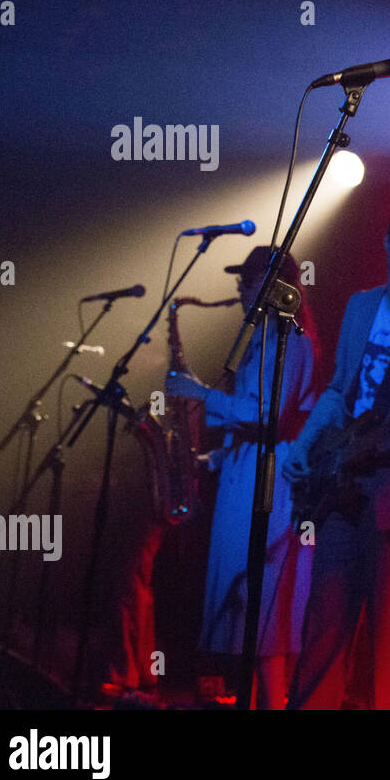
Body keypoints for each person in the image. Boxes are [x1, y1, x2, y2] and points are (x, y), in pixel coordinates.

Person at [282, 202, 390, 709]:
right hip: (342, 487)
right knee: (323, 626)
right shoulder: (360, 306)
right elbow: (338, 388)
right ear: (386, 240)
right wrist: (305, 445)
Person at [165, 246, 318, 709]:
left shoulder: (290, 340)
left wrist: (198, 394)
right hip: (244, 475)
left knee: (262, 611)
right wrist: (210, 461)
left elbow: (267, 415)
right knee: (244, 616)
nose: (238, 287)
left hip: (269, 482)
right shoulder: (261, 337)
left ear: (276, 286)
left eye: (249, 280)